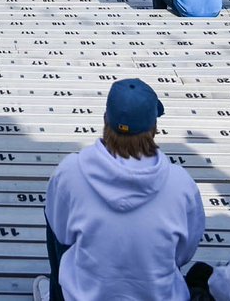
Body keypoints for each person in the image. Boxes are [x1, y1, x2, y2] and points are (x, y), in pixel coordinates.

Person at [35, 77, 206, 301]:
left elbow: (62, 233)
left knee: (56, 215)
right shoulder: (181, 185)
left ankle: (58, 295)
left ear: (105, 120)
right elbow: (183, 253)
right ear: (154, 129)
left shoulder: (69, 173)